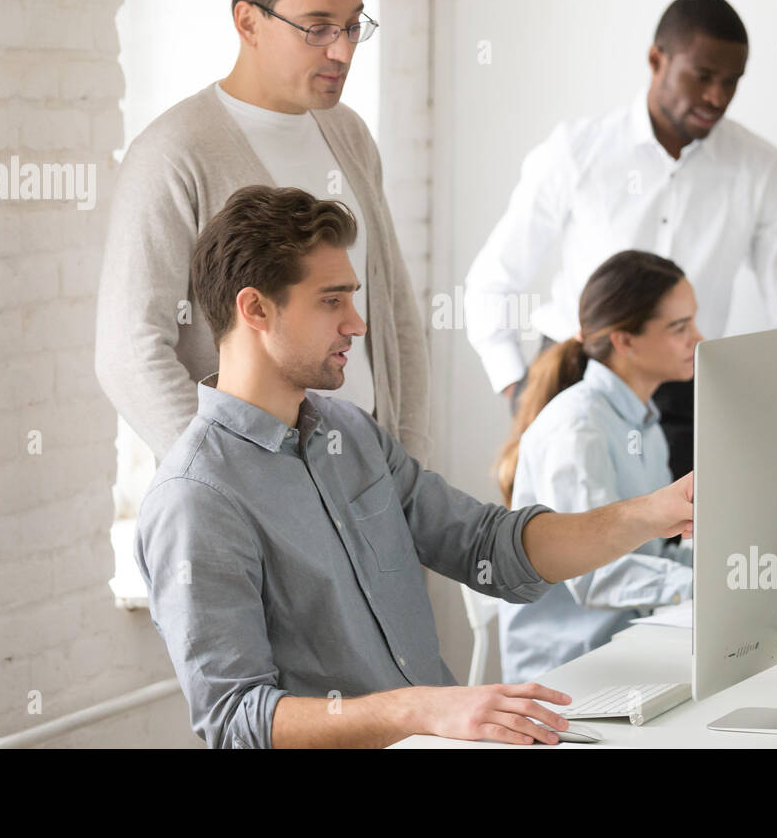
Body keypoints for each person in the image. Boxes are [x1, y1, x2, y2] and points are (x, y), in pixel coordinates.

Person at [135, 186, 695, 748]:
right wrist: (420, 709)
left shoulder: (350, 434)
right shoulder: (196, 498)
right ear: (255, 309)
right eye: (332, 301)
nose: (357, 324)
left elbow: (489, 547)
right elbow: (236, 722)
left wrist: (651, 513)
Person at [95, 0, 430, 464]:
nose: (342, 52)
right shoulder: (175, 152)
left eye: (351, 27)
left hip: (369, 469)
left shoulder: (348, 133)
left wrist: (410, 464)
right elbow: (128, 352)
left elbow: (394, 313)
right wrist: (235, 481)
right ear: (248, 22)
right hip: (256, 491)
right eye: (317, 28)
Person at [464, 0, 777, 481]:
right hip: (572, 381)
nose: (717, 97)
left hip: (686, 399)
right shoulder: (577, 150)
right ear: (657, 59)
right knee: (567, 551)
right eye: (704, 77)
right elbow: (493, 280)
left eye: (732, 82)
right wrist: (517, 388)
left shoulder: (760, 168)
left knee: (679, 553)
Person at [494, 251, 701, 682]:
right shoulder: (578, 429)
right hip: (570, 672)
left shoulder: (642, 420)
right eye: (680, 328)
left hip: (634, 643)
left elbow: (655, 551)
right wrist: (711, 587)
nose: (697, 339)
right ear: (626, 341)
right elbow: (597, 578)